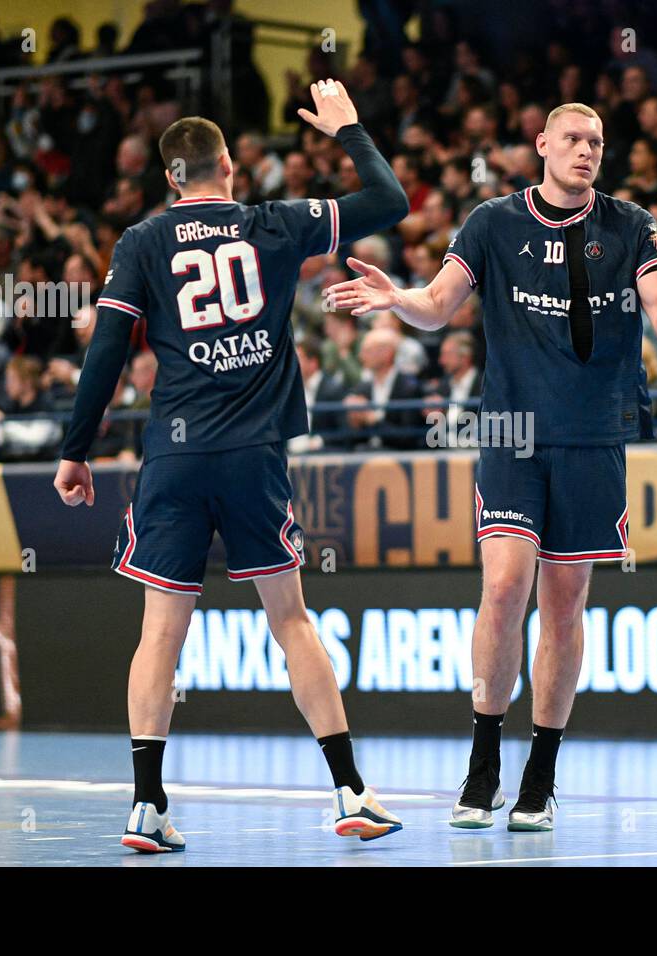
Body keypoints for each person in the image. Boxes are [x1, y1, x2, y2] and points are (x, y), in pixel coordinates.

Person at [53, 81, 410, 852]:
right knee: (290, 621)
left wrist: (76, 449)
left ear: (169, 177)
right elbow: (391, 199)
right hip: (253, 455)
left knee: (160, 636)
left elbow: (106, 351)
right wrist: (349, 130)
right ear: (228, 167)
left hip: (175, 457)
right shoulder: (275, 224)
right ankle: (350, 791)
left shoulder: (142, 242)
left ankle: (146, 805)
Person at [326, 102, 657, 831]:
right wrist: (394, 297)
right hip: (512, 434)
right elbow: (437, 307)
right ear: (542, 145)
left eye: (596, 141)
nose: (586, 150)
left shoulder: (631, 225)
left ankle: (541, 775)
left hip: (593, 436)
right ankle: (483, 762)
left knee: (563, 606)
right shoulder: (494, 221)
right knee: (502, 589)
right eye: (573, 139)